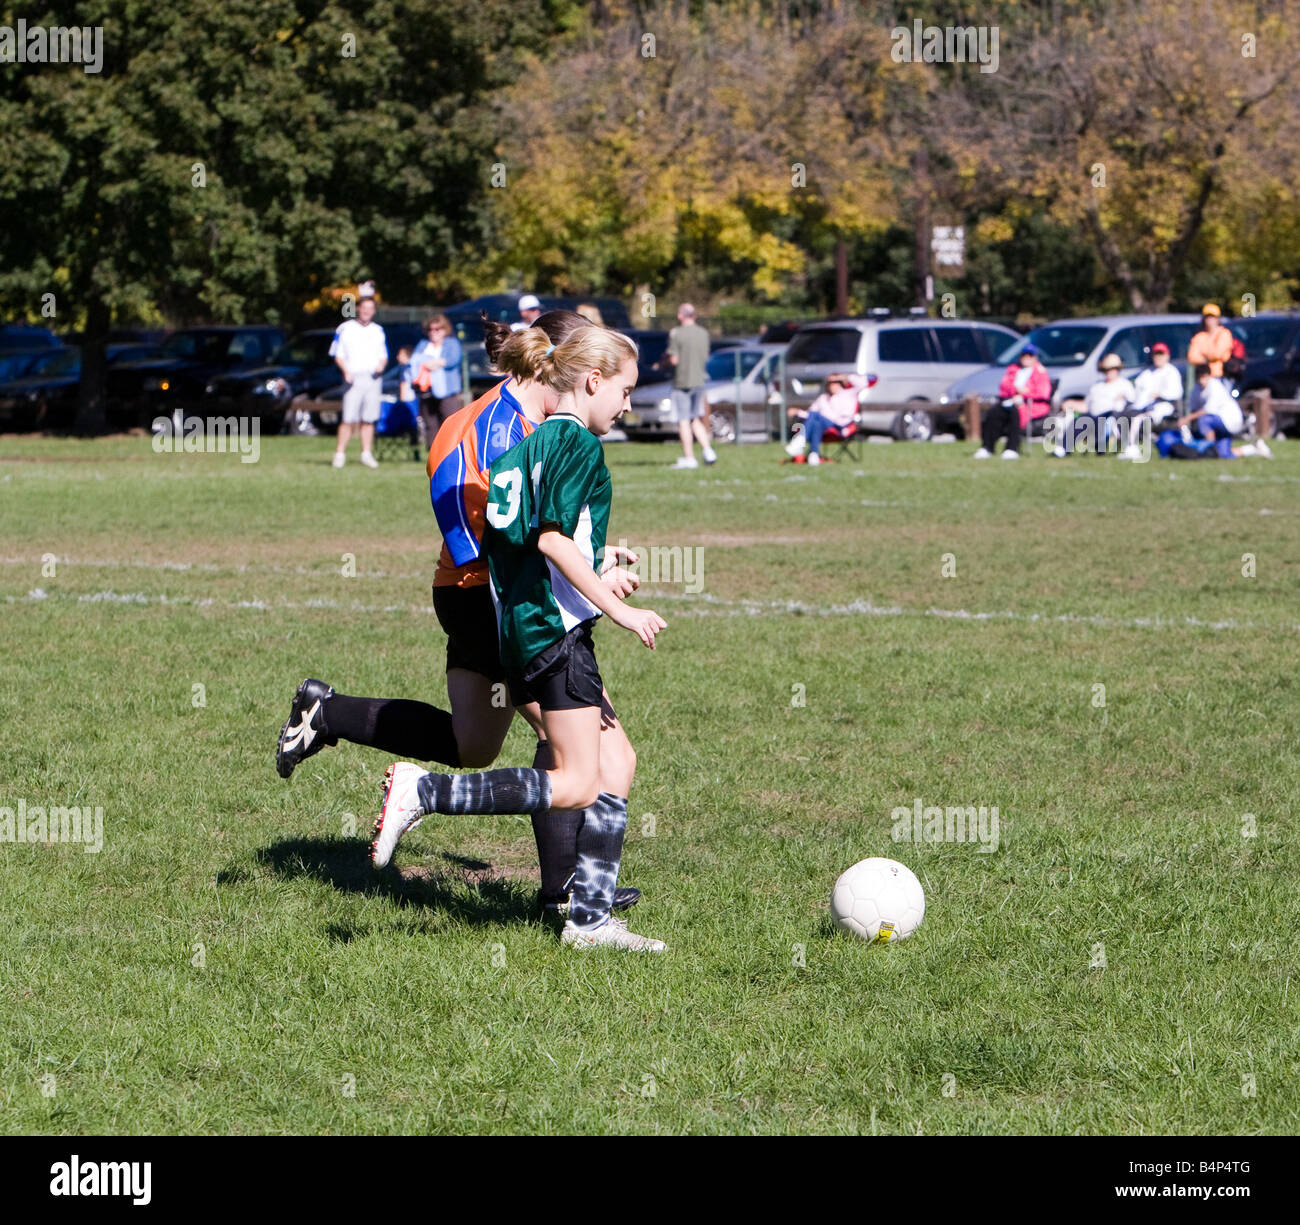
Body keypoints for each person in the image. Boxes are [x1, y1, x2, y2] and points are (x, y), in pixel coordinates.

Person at [277, 310, 644, 916]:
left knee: (472, 743)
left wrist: (593, 553)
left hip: (470, 592)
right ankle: (569, 898)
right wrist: (596, 578)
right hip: (494, 600)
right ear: (568, 366)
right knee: (595, 752)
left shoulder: (500, 414)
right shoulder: (506, 432)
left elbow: (524, 525)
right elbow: (512, 540)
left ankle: (328, 711)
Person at [371, 326, 669, 952]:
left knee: (611, 765)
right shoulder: (576, 447)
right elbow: (552, 541)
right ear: (593, 380)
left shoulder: (519, 450)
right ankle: (425, 791)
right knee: (580, 780)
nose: (628, 405)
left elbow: (511, 542)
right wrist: (612, 602)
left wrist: (594, 562)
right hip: (554, 632)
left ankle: (587, 914)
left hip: (524, 627)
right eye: (625, 390)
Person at [330, 286, 387, 469]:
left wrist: (381, 365)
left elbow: (383, 355)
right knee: (348, 418)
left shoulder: (378, 330)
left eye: (370, 309)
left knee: (368, 419)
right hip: (353, 378)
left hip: (373, 378)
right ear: (358, 309)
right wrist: (346, 370)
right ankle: (340, 454)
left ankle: (366, 453)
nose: (367, 312)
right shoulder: (345, 328)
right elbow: (337, 354)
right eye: (364, 308)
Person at [975, 344, 1050, 460]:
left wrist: (1024, 394)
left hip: (1030, 406)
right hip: (1010, 401)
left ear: (1035, 358)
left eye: (1030, 355)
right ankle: (987, 447)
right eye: (1024, 355)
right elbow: (1004, 388)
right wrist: (1016, 390)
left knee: (1016, 412)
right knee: (994, 412)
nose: (1026, 358)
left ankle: (1012, 448)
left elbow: (1043, 392)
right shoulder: (1013, 369)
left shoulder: (1040, 372)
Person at [666, 302, 716, 469]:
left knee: (683, 420)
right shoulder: (703, 333)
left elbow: (674, 360)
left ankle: (689, 458)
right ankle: (708, 450)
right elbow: (706, 355)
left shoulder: (676, 333)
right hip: (700, 380)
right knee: (695, 418)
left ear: (680, 316)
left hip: (682, 381)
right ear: (694, 315)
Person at [1054, 353, 1135, 457]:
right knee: (1078, 421)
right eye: (1107, 369)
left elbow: (1132, 405)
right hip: (1093, 417)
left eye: (1112, 369)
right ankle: (1063, 448)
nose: (1109, 372)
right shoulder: (1097, 386)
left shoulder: (1124, 385)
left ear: (1118, 369)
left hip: (1113, 416)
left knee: (1108, 421)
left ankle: (1107, 446)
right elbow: (1086, 406)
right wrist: (1071, 404)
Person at [1120, 342, 1183, 459]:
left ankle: (1133, 447)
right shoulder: (1148, 373)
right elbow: (1138, 391)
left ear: (1167, 356)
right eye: (1156, 354)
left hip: (1164, 407)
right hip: (1144, 407)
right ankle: (1128, 447)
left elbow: (1175, 394)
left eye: (1161, 354)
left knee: (1138, 419)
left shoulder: (1171, 372)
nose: (1158, 357)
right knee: (1123, 415)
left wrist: (1159, 394)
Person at [784, 372, 863, 465]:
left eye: (835, 382)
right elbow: (810, 414)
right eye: (830, 382)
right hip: (823, 424)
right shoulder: (823, 398)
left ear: (841, 382)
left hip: (842, 426)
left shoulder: (849, 394)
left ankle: (800, 441)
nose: (832, 385)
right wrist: (797, 412)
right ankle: (814, 454)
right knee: (816, 420)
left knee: (816, 417)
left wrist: (845, 376)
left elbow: (864, 382)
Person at [408, 313, 463, 440]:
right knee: (430, 424)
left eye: (437, 329)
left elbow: (453, 359)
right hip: (426, 390)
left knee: (450, 423)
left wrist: (435, 362)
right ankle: (433, 454)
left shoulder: (451, 343)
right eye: (430, 329)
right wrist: (431, 363)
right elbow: (414, 361)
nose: (433, 332)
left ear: (444, 329)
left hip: (447, 391)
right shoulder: (423, 344)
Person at [1180, 363, 1243, 458]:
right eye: (1199, 377)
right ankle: (1253, 449)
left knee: (1203, 420)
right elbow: (1193, 408)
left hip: (1229, 420)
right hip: (1220, 423)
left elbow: (1207, 410)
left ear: (1209, 376)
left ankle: (1209, 450)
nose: (1202, 381)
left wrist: (1187, 419)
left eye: (1204, 377)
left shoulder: (1214, 386)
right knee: (1224, 455)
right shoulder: (1196, 389)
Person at [1187, 303, 1233, 398]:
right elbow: (1192, 357)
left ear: (1217, 319)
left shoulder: (1224, 333)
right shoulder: (1199, 336)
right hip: (1202, 379)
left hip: (1219, 377)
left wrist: (1203, 354)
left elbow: (1217, 353)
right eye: (1207, 317)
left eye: (1213, 317)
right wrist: (1210, 357)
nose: (1210, 320)